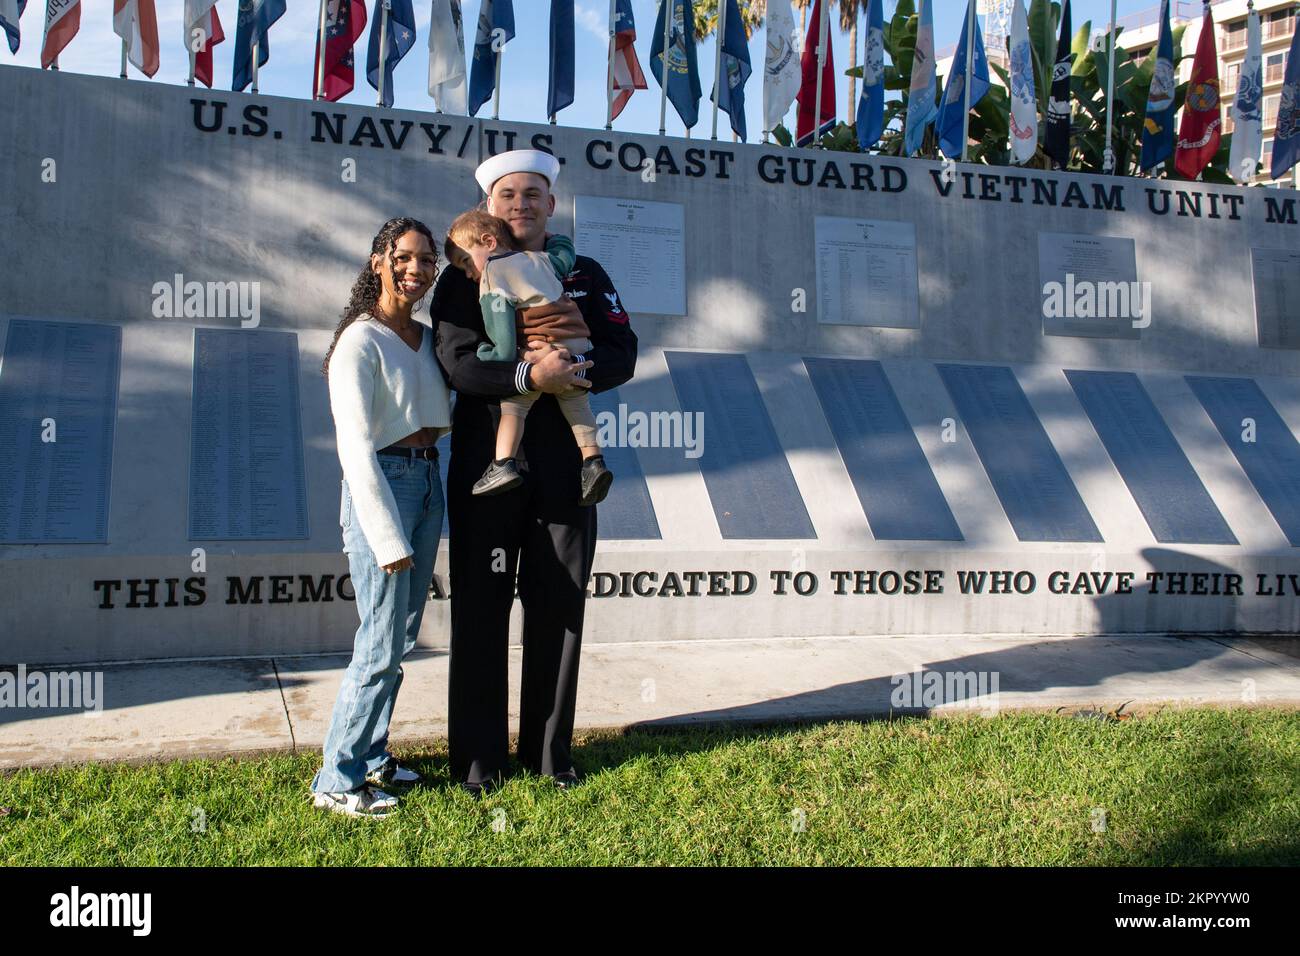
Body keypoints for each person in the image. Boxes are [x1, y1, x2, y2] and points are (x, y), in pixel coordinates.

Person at [432, 150, 637, 794]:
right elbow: (460, 366)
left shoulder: (586, 271)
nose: (520, 204)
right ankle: (478, 762)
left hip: (566, 471)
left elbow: (621, 352)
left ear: (552, 204)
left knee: (558, 605)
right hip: (491, 466)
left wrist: (574, 369)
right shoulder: (463, 276)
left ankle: (550, 757)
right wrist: (529, 373)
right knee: (482, 608)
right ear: (488, 208)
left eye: (533, 193)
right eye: (507, 195)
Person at [312, 217, 452, 817]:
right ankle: (336, 780)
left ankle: (372, 757)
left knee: (398, 636)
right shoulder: (359, 341)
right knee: (377, 642)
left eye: (427, 260)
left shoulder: (425, 337)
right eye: (404, 257)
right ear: (378, 262)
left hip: (427, 479)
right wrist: (385, 532)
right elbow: (353, 447)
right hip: (385, 487)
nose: (416, 269)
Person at [443, 208, 613, 503]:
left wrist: (494, 353)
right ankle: (593, 462)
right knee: (578, 405)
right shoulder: (540, 259)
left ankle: (502, 464)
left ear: (489, 242)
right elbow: (564, 258)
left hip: (539, 347)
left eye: (466, 262)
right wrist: (556, 239)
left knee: (514, 408)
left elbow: (502, 332)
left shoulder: (493, 275)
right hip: (577, 343)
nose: (469, 273)